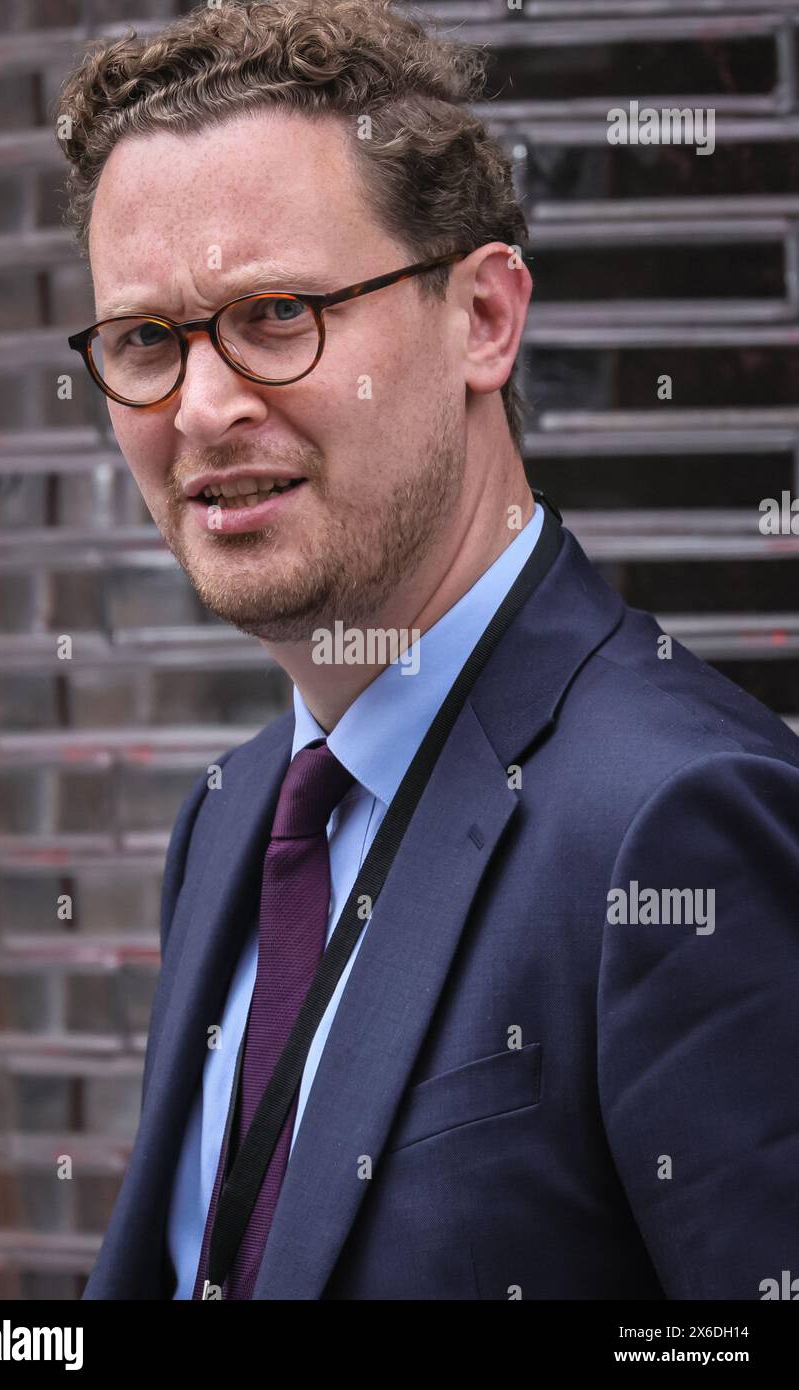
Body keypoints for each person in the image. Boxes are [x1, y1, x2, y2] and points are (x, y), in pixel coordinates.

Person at [58, 0, 799, 1300]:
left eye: (278, 312)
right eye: (144, 341)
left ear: (485, 319)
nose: (203, 406)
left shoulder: (679, 820)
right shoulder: (228, 820)